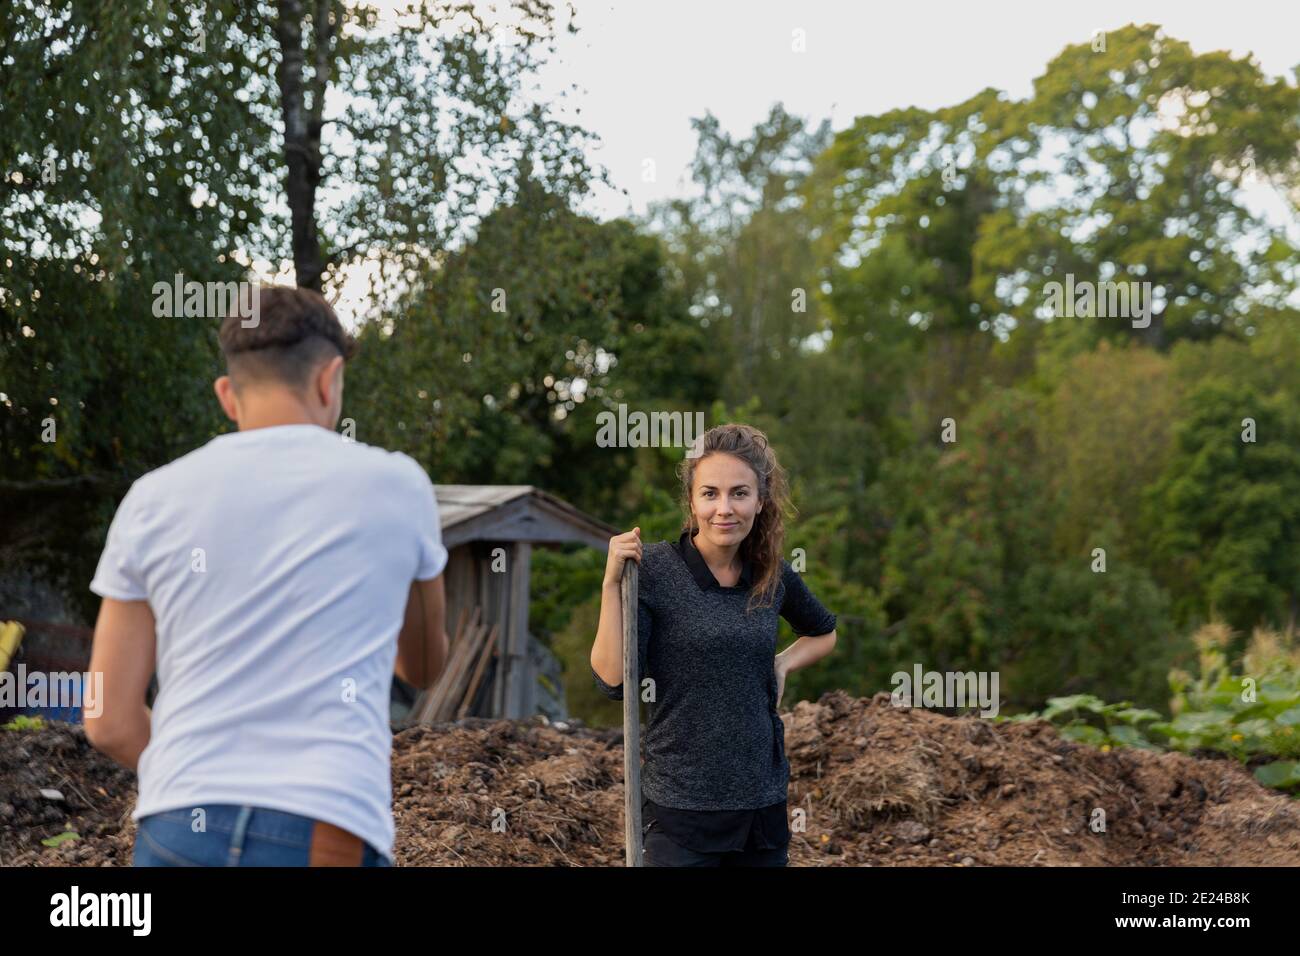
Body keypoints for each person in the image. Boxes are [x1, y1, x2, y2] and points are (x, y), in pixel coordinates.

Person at [85, 285, 448, 867]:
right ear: (329, 381)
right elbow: (426, 665)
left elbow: (108, 721)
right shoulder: (399, 486)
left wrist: (198, 769)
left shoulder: (151, 498)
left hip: (178, 827)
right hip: (326, 826)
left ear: (228, 395)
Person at [589, 423, 838, 866]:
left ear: (761, 501)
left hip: (760, 805)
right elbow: (613, 681)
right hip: (681, 811)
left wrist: (780, 665)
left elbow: (823, 632)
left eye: (739, 493)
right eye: (710, 493)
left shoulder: (770, 573)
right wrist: (612, 585)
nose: (724, 508)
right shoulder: (656, 571)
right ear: (691, 501)